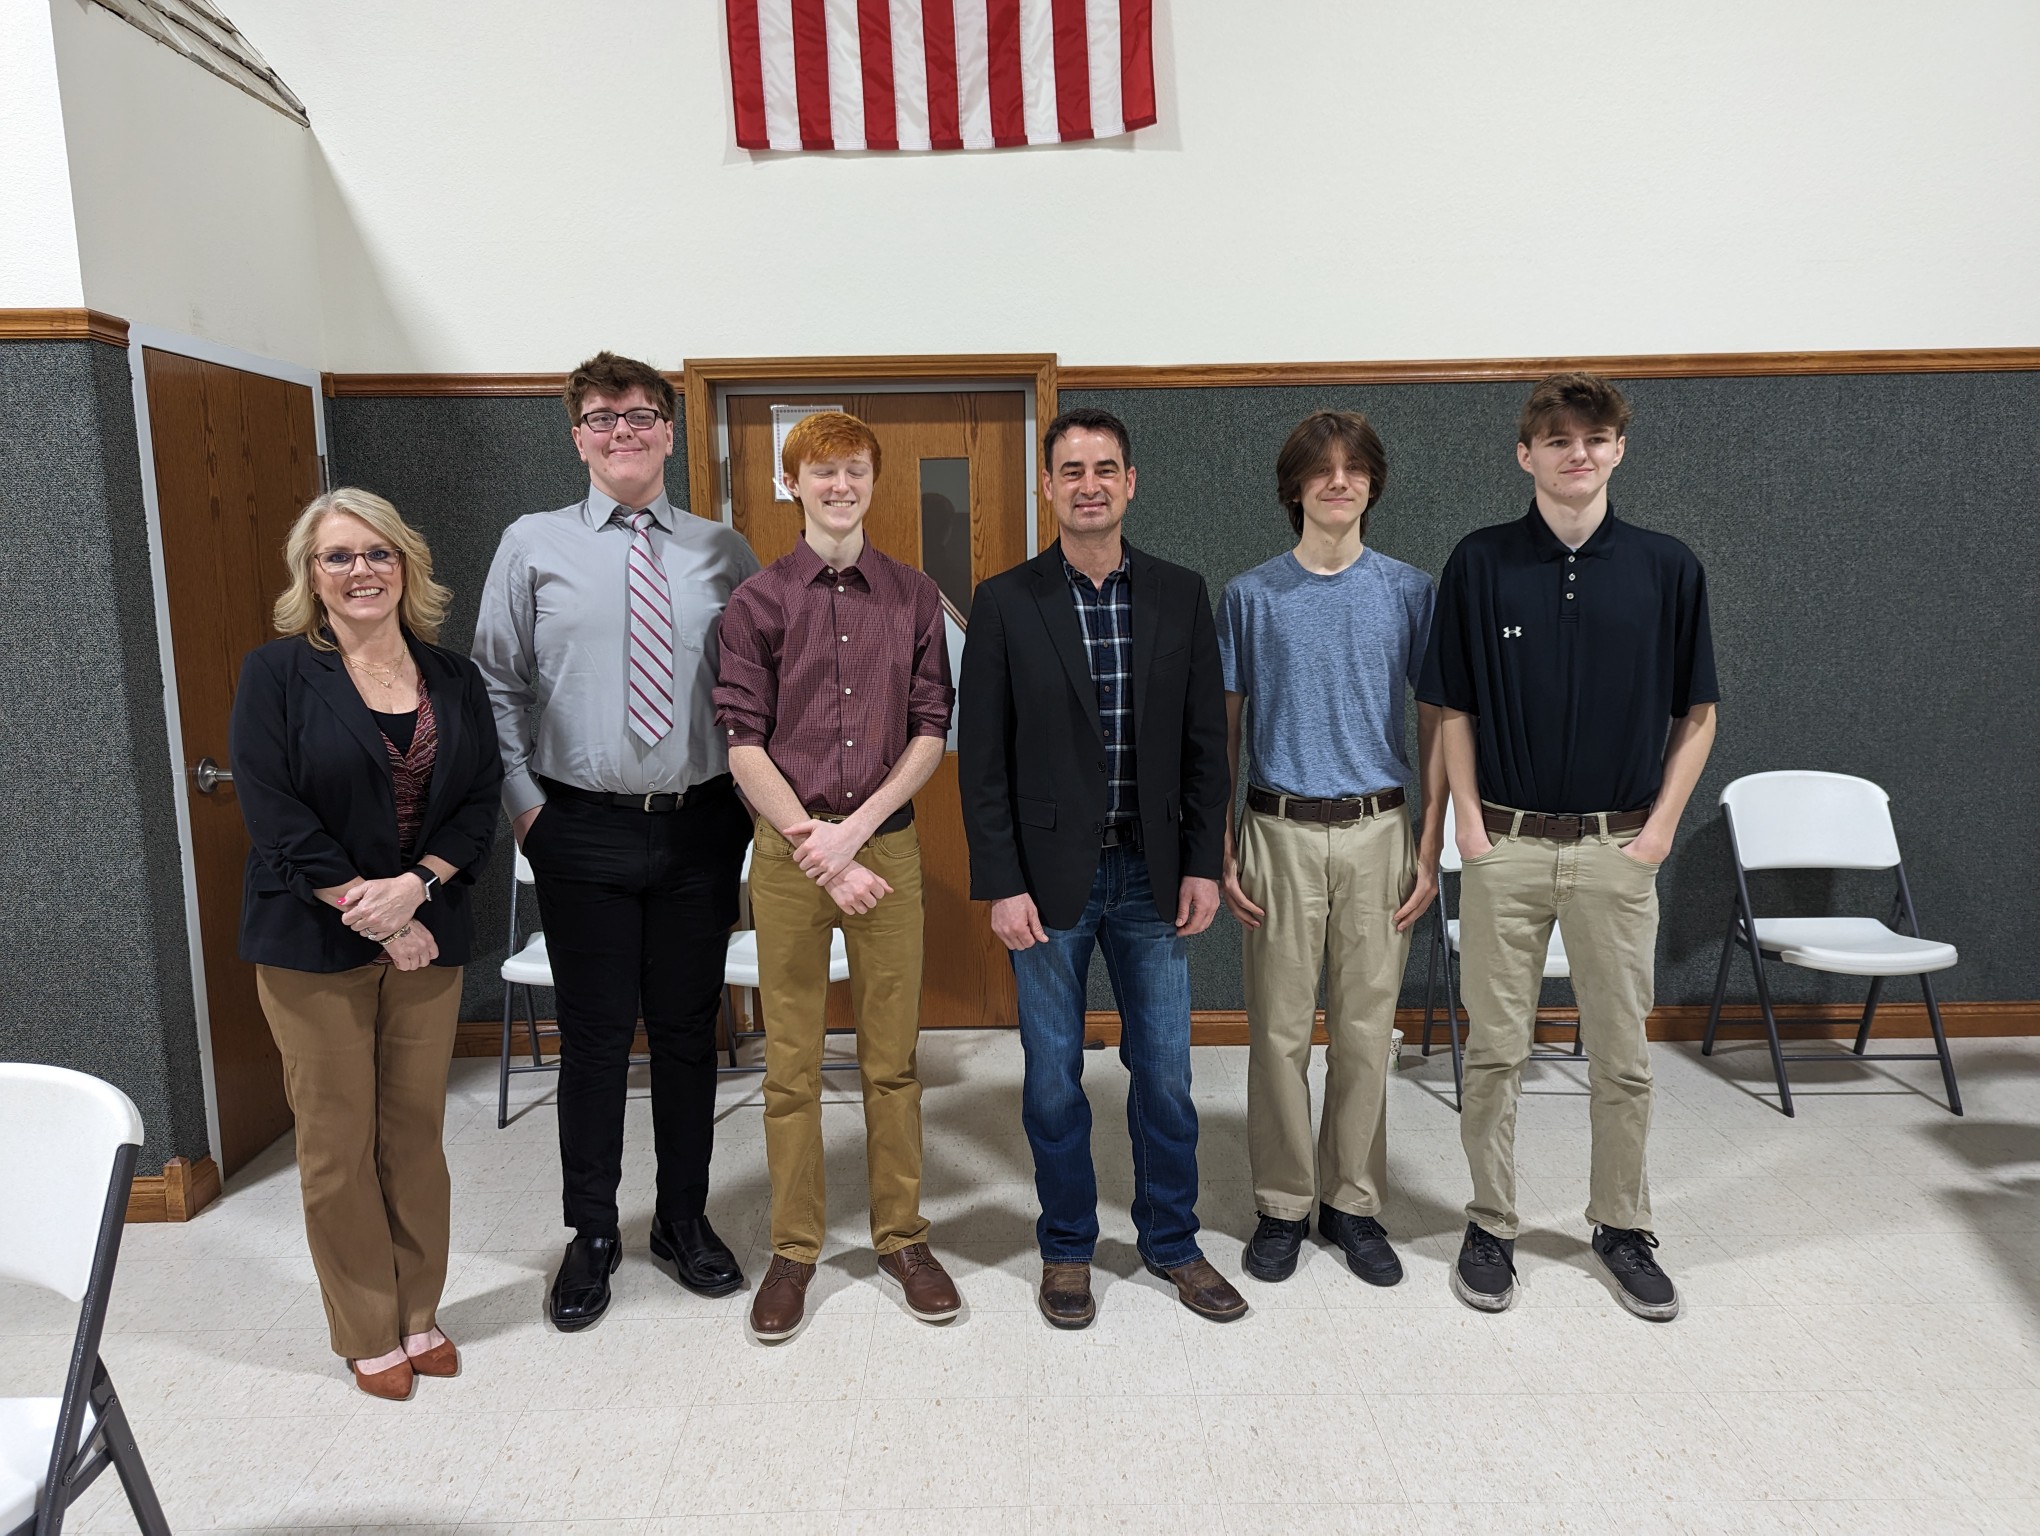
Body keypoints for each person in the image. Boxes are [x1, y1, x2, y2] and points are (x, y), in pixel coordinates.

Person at [1418, 372, 1718, 1321]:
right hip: (1503, 843)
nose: (1576, 454)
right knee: (1496, 1052)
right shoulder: (1481, 562)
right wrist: (1467, 823)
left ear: (1618, 449)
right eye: (1557, 440)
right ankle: (1492, 1223)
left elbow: (1698, 713)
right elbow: (1451, 705)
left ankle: (1621, 1225)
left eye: (1593, 439)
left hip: (1617, 848)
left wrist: (1661, 828)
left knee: (1622, 1054)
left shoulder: (1669, 567)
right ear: (1526, 454)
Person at [473, 351, 760, 1332]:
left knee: (686, 1035)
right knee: (594, 1042)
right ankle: (591, 1232)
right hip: (578, 825)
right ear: (578, 435)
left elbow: (757, 686)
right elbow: (495, 684)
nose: (622, 430)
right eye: (601, 418)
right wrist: (526, 810)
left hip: (700, 826)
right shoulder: (531, 544)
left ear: (670, 430)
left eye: (640, 415)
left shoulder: (725, 550)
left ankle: (683, 1219)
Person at [959, 407, 1242, 1329]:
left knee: (1164, 1074)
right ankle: (1068, 1245)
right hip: (1046, 883)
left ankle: (1172, 1241)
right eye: (1070, 469)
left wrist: (1205, 860)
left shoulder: (1178, 593)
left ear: (1131, 483)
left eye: (1105, 468)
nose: (1088, 483)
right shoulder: (1005, 601)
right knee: (1051, 1081)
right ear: (1047, 486)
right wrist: (1001, 881)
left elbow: (1208, 746)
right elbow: (984, 760)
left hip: (1154, 878)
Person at [231, 488, 503, 1400]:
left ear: (406, 566)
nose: (360, 572)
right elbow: (276, 815)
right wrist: (374, 910)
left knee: (414, 1137)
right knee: (338, 1142)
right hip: (313, 941)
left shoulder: (453, 677)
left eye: (377, 554)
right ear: (311, 575)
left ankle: (420, 1309)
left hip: (430, 935)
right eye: (338, 557)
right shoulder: (275, 675)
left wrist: (417, 890)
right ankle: (365, 1326)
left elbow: (474, 805)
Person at [715, 410, 960, 1342]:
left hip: (883, 846)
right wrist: (812, 842)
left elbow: (930, 729)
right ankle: (794, 1249)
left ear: (873, 479)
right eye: (821, 473)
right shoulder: (756, 604)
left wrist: (851, 835)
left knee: (893, 1061)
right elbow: (742, 741)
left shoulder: (913, 596)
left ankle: (901, 1236)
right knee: (790, 1066)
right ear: (794, 484)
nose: (839, 485)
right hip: (786, 855)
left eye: (855, 470)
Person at [1218, 410, 1443, 1288]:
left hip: (1380, 829)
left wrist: (1428, 842)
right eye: (1322, 470)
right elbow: (1225, 733)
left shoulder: (1410, 592)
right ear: (1296, 487)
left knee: (1363, 1033)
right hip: (1275, 828)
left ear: (1373, 484)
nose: (1338, 482)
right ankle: (1281, 1203)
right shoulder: (1250, 597)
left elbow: (1436, 723)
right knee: (1276, 1034)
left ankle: (1352, 1202)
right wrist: (1221, 846)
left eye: (1354, 469)